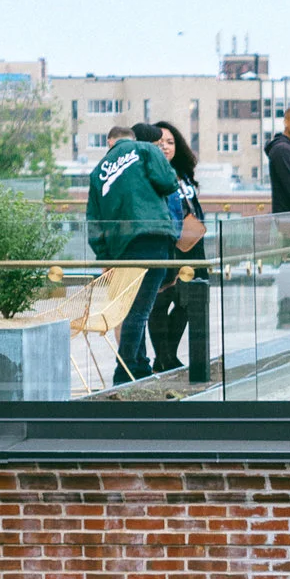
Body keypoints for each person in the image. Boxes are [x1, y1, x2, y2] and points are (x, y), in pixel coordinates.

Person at [85, 122, 196, 382]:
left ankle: (139, 367)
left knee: (129, 308)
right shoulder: (145, 150)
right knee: (140, 310)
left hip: (119, 247)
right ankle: (123, 371)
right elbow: (168, 183)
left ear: (109, 143)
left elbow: (94, 221)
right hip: (153, 237)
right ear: (131, 139)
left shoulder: (97, 171)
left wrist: (105, 258)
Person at [144, 119, 208, 374]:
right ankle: (164, 358)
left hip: (192, 244)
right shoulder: (151, 175)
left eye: (170, 142)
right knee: (162, 302)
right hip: (168, 244)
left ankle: (166, 356)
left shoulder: (182, 174)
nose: (166, 147)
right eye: (160, 143)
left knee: (189, 302)